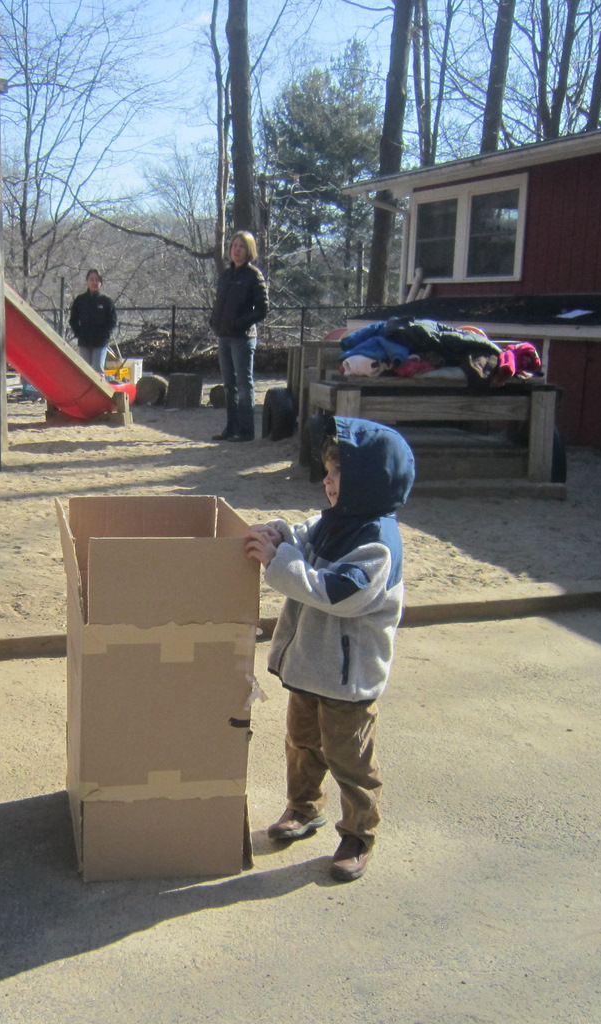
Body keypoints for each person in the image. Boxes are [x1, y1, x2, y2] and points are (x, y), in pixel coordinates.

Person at [244, 417, 415, 882]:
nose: (327, 480)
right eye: (328, 472)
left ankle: (359, 833)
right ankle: (304, 808)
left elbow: (337, 593)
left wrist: (282, 561)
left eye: (337, 474)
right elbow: (303, 534)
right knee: (302, 743)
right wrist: (280, 536)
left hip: (347, 677)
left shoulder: (377, 545)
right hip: (310, 667)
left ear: (366, 484)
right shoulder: (334, 521)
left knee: (349, 757)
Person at [210, 231, 269, 442]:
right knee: (229, 385)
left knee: (244, 384)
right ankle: (231, 428)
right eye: (234, 245)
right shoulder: (226, 275)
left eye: (241, 246)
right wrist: (214, 321)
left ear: (249, 250)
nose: (236, 250)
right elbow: (219, 303)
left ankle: (246, 430)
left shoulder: (254, 276)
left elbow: (263, 309)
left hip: (243, 338)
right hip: (224, 336)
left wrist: (239, 323)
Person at [68, 269, 117, 373]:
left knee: (98, 369)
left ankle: (99, 389)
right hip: (84, 341)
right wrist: (79, 333)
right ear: (87, 281)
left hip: (100, 342)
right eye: (91, 279)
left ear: (101, 283)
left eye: (97, 280)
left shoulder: (106, 301)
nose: (94, 282)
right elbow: (73, 320)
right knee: (84, 371)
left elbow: (112, 321)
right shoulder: (80, 300)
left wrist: (105, 334)